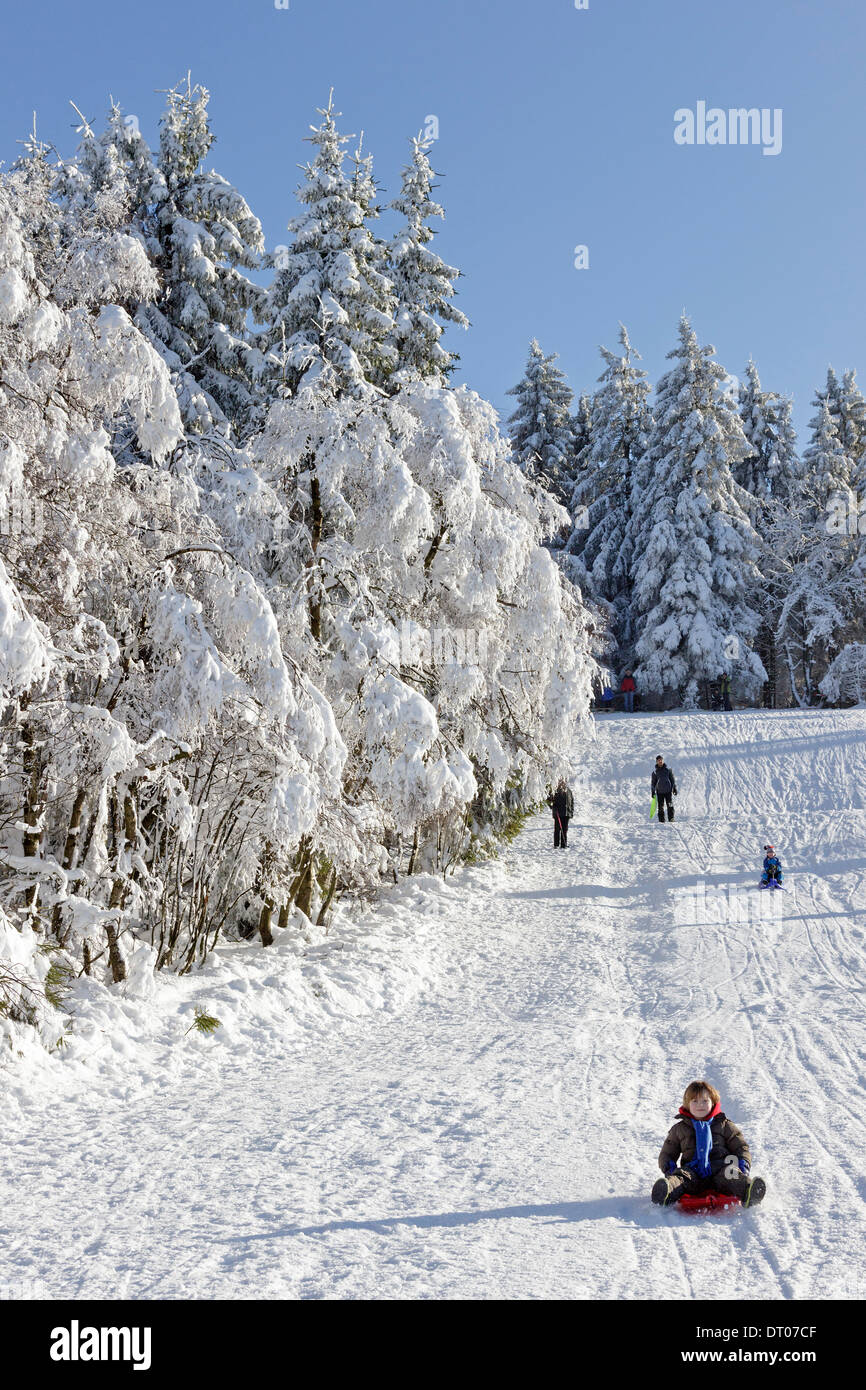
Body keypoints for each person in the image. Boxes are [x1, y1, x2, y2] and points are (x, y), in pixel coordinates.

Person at [651, 1080, 766, 1208]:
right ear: (687, 1104)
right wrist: (669, 1168)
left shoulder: (724, 1125)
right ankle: (666, 1192)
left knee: (731, 1175)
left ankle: (749, 1191)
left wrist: (743, 1163)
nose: (700, 1105)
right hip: (692, 1171)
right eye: (695, 1101)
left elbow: (740, 1147)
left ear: (713, 1103)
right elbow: (667, 1152)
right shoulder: (679, 1129)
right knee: (681, 1178)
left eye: (705, 1101)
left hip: (720, 1168)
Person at [547, 778, 574, 848]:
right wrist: (553, 806)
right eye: (561, 781)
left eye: (564, 781)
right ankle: (556, 844)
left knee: (565, 830)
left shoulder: (569, 791)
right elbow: (548, 800)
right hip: (558, 813)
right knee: (557, 829)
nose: (562, 783)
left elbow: (572, 802)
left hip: (566, 814)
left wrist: (571, 812)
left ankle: (563, 845)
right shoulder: (555, 790)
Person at [651, 755, 677, 822]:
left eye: (661, 760)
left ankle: (671, 818)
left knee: (670, 805)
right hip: (660, 792)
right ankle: (661, 820)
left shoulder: (668, 770)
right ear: (656, 762)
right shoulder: (655, 772)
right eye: (658, 760)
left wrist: (674, 788)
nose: (660, 761)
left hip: (668, 791)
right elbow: (653, 783)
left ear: (663, 760)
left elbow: (672, 779)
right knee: (660, 807)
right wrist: (653, 791)